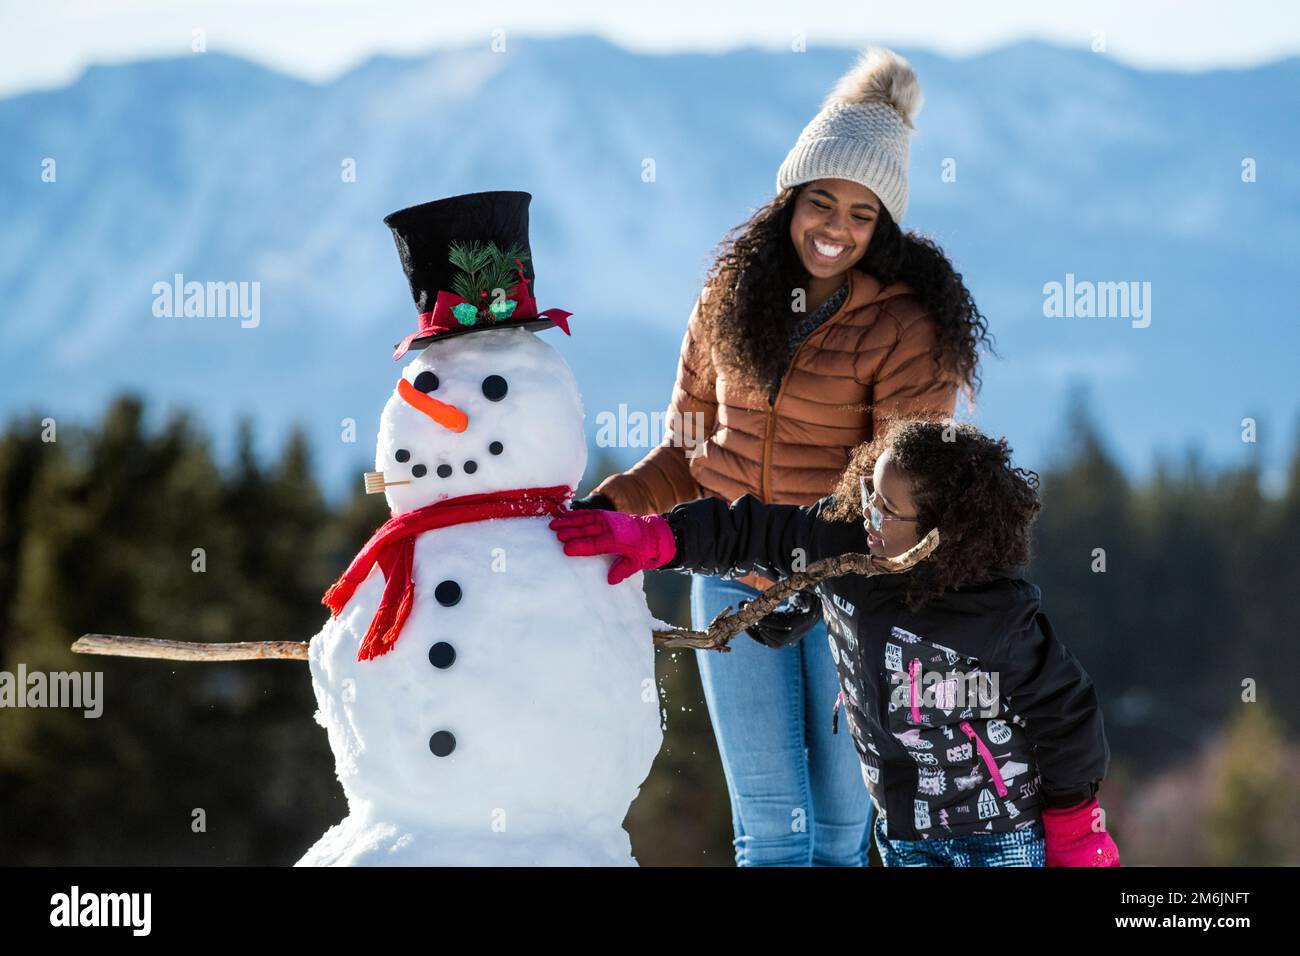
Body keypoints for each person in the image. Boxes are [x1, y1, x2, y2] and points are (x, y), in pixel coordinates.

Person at [572, 46, 990, 866]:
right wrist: (609, 511)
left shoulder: (907, 328)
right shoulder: (728, 299)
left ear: (884, 229)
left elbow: (900, 499)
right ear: (790, 197)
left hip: (850, 591)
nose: (834, 228)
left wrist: (818, 573)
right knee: (770, 825)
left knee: (838, 828)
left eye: (861, 214)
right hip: (730, 579)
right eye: (821, 201)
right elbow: (689, 452)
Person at [552, 419, 1119, 867]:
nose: (870, 516)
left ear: (946, 530)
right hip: (902, 829)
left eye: (891, 511)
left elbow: (1065, 713)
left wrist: (1074, 824)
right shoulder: (845, 544)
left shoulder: (991, 613)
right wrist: (658, 537)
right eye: (871, 495)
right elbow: (754, 531)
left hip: (997, 833)